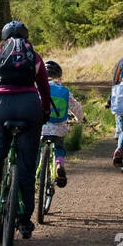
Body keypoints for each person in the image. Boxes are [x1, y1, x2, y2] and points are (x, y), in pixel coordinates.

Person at [0, 20, 50, 239]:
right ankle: (25, 221)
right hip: (29, 106)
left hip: (1, 106)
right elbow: (44, 88)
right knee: (27, 168)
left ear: (4, 38)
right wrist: (44, 111)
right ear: (26, 38)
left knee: (1, 131)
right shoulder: (34, 58)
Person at [42, 60, 84, 188]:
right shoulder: (64, 91)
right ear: (59, 76)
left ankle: (35, 169)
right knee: (59, 147)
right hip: (59, 128)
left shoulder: (39, 88)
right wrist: (79, 119)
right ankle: (59, 163)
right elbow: (75, 106)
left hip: (42, 128)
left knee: (37, 148)